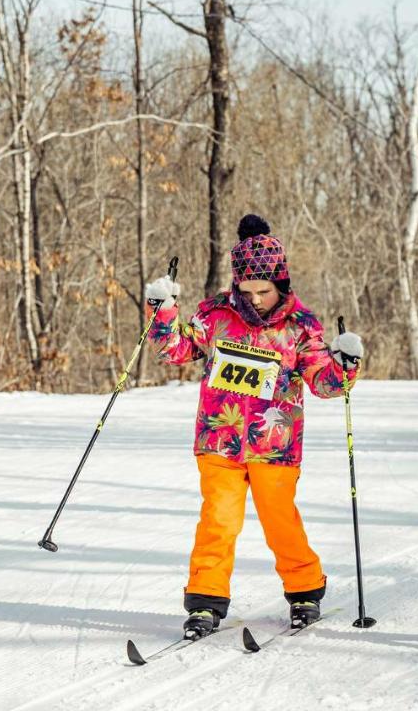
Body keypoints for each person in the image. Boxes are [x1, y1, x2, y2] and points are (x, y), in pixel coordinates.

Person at [144, 214, 363, 638]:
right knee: (218, 521)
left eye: (264, 291)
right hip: (218, 440)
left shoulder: (301, 326)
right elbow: (174, 348)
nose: (256, 299)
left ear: (281, 283)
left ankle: (304, 589)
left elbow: (322, 380)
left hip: (275, 445)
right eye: (247, 291)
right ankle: (205, 601)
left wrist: (344, 367)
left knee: (280, 519)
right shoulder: (216, 314)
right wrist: (164, 311)